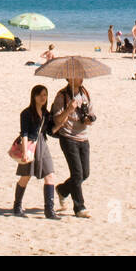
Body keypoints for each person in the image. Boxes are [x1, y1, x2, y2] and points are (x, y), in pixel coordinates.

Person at [51, 75, 95, 218]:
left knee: (85, 174)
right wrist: (68, 110)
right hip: (68, 137)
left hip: (83, 137)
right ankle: (79, 207)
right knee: (77, 174)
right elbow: (56, 119)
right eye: (77, 76)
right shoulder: (61, 96)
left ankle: (63, 190)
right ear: (69, 78)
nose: (80, 78)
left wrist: (89, 119)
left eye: (81, 76)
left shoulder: (85, 93)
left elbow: (91, 113)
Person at [14, 84, 58, 219]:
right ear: (34, 96)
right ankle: (17, 206)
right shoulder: (26, 113)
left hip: (43, 145)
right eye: (40, 95)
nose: (43, 97)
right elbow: (24, 133)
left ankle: (49, 210)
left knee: (50, 174)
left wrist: (67, 114)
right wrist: (25, 151)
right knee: (25, 177)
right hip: (30, 145)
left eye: (45, 95)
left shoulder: (46, 114)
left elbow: (51, 131)